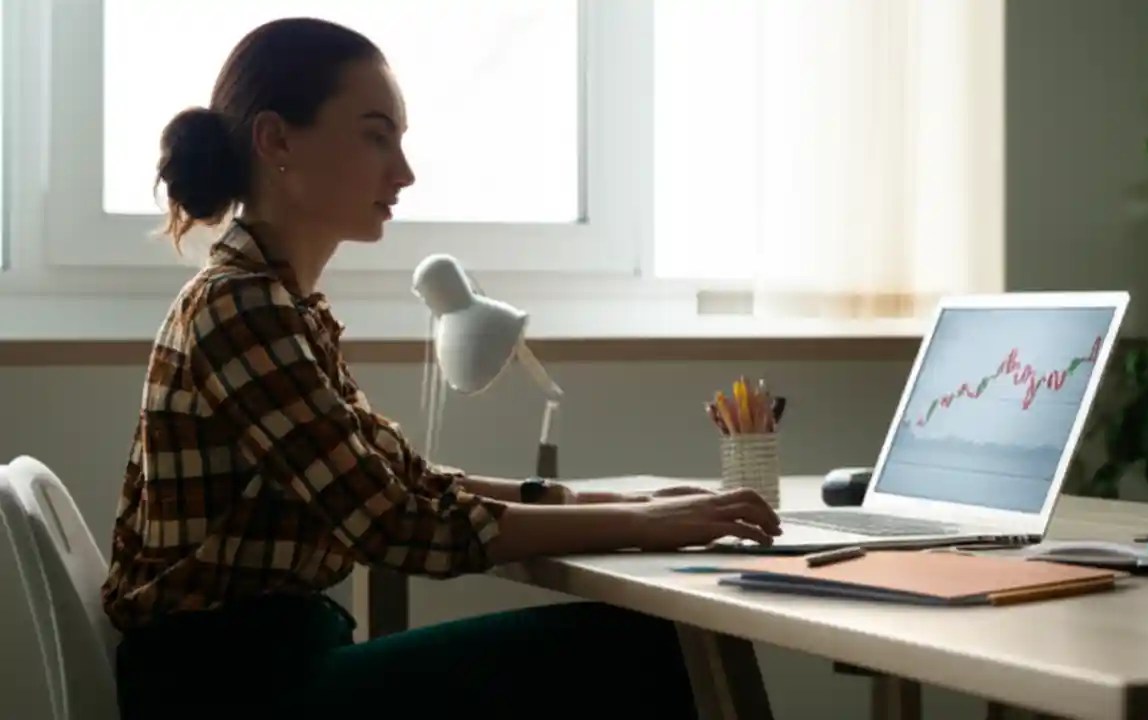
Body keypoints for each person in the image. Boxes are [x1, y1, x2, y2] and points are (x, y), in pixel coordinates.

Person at [100, 16, 780, 720]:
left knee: (640, 647)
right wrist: (642, 526)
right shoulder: (239, 308)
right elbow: (394, 525)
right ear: (277, 141)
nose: (404, 172)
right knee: (641, 647)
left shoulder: (277, 303)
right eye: (376, 135)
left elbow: (407, 481)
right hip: (232, 689)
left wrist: (619, 506)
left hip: (261, 665)